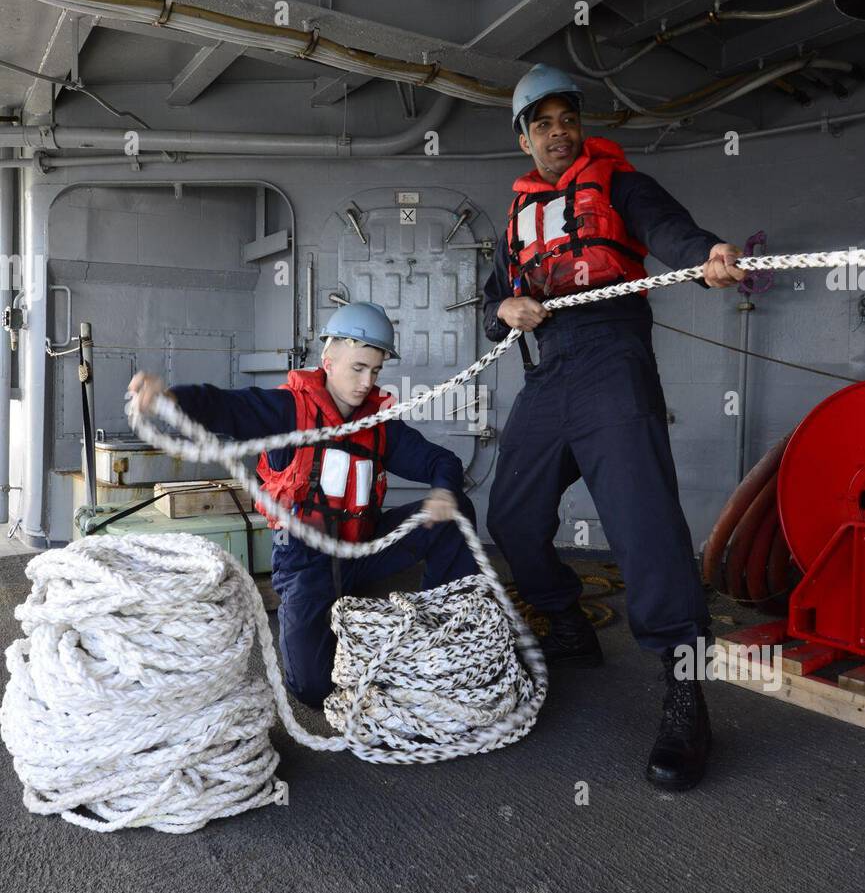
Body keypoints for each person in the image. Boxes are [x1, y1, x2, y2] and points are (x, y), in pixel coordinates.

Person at [482, 63, 747, 791]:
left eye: (567, 119)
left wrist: (706, 258)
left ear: (580, 126)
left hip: (611, 361)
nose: (558, 132)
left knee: (645, 528)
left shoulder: (620, 184)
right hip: (547, 372)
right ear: (523, 138)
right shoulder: (514, 216)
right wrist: (503, 310)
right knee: (510, 517)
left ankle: (685, 691)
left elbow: (672, 231)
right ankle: (567, 621)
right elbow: (491, 298)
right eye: (542, 123)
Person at [127, 302, 478, 710]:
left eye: (375, 371)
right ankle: (331, 617)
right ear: (329, 361)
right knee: (311, 688)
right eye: (358, 368)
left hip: (363, 548)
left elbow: (442, 462)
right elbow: (226, 407)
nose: (367, 382)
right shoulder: (288, 411)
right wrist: (169, 397)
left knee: (456, 510)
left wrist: (443, 491)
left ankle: (445, 626)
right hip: (306, 561)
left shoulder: (379, 427)